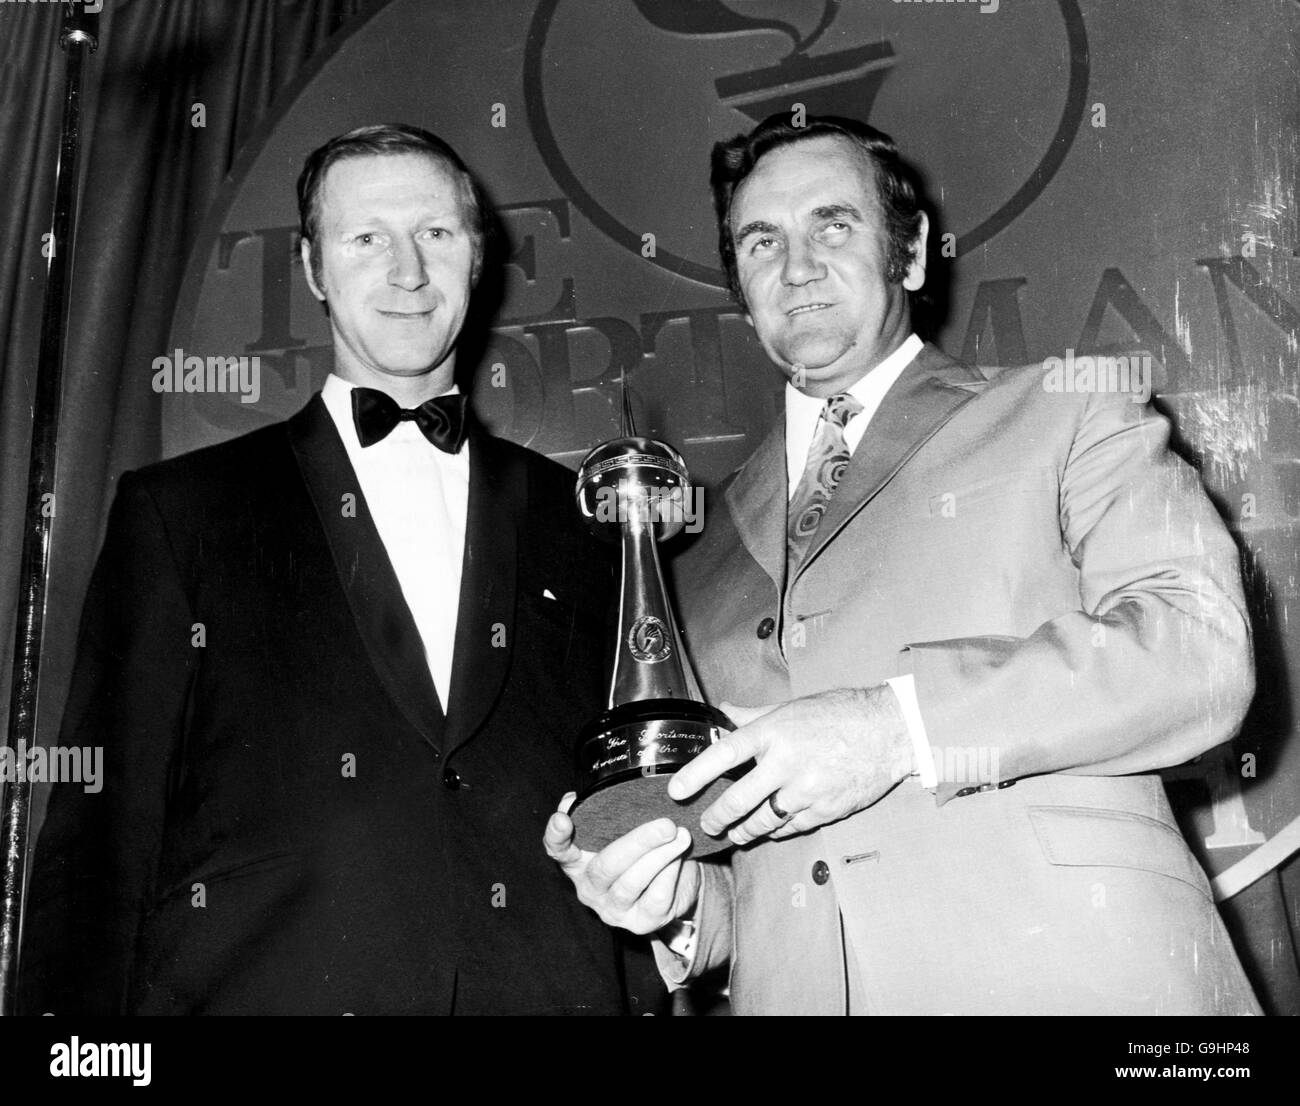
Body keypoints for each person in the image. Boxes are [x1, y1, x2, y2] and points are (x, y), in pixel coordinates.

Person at [546, 112, 1261, 1015]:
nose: (796, 266)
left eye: (832, 225)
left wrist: (892, 727)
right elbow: (771, 876)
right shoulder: (693, 549)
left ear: (912, 254)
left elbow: (1199, 654)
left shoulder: (1071, 408)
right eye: (760, 240)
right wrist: (682, 907)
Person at [21, 124, 638, 1015]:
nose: (407, 272)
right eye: (366, 239)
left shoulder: (585, 517)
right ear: (313, 269)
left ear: (480, 254)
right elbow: (103, 836)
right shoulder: (182, 510)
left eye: (435, 233)